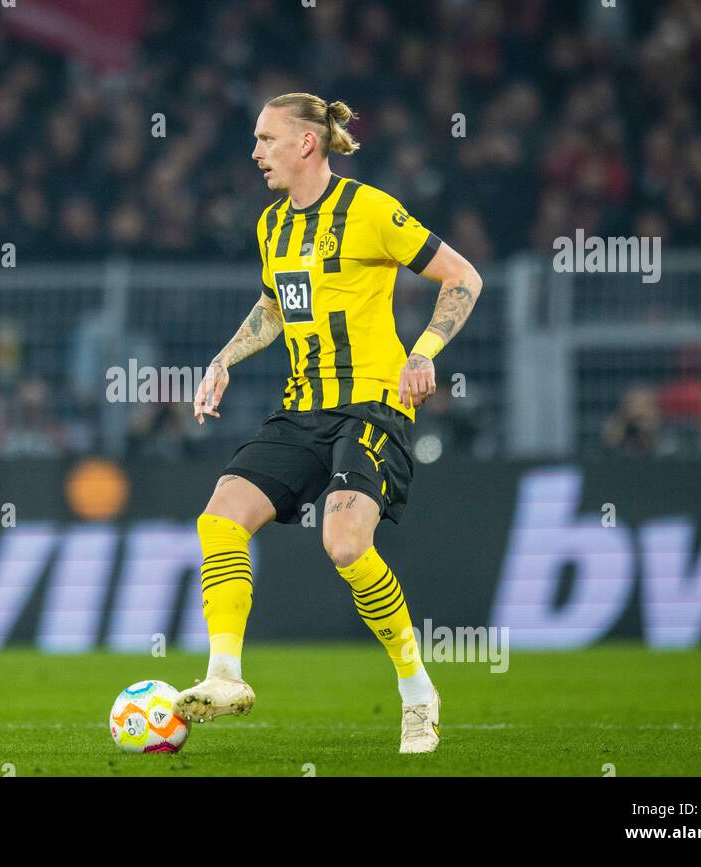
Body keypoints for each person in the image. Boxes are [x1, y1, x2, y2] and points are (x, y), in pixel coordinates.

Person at [178, 93, 483, 754]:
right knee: (220, 517)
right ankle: (224, 676)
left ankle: (415, 690)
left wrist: (423, 353)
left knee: (344, 543)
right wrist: (224, 358)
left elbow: (462, 276)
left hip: (373, 402)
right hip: (301, 408)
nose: (256, 152)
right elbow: (274, 306)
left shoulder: (370, 210)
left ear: (305, 143)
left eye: (265, 139)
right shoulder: (271, 227)